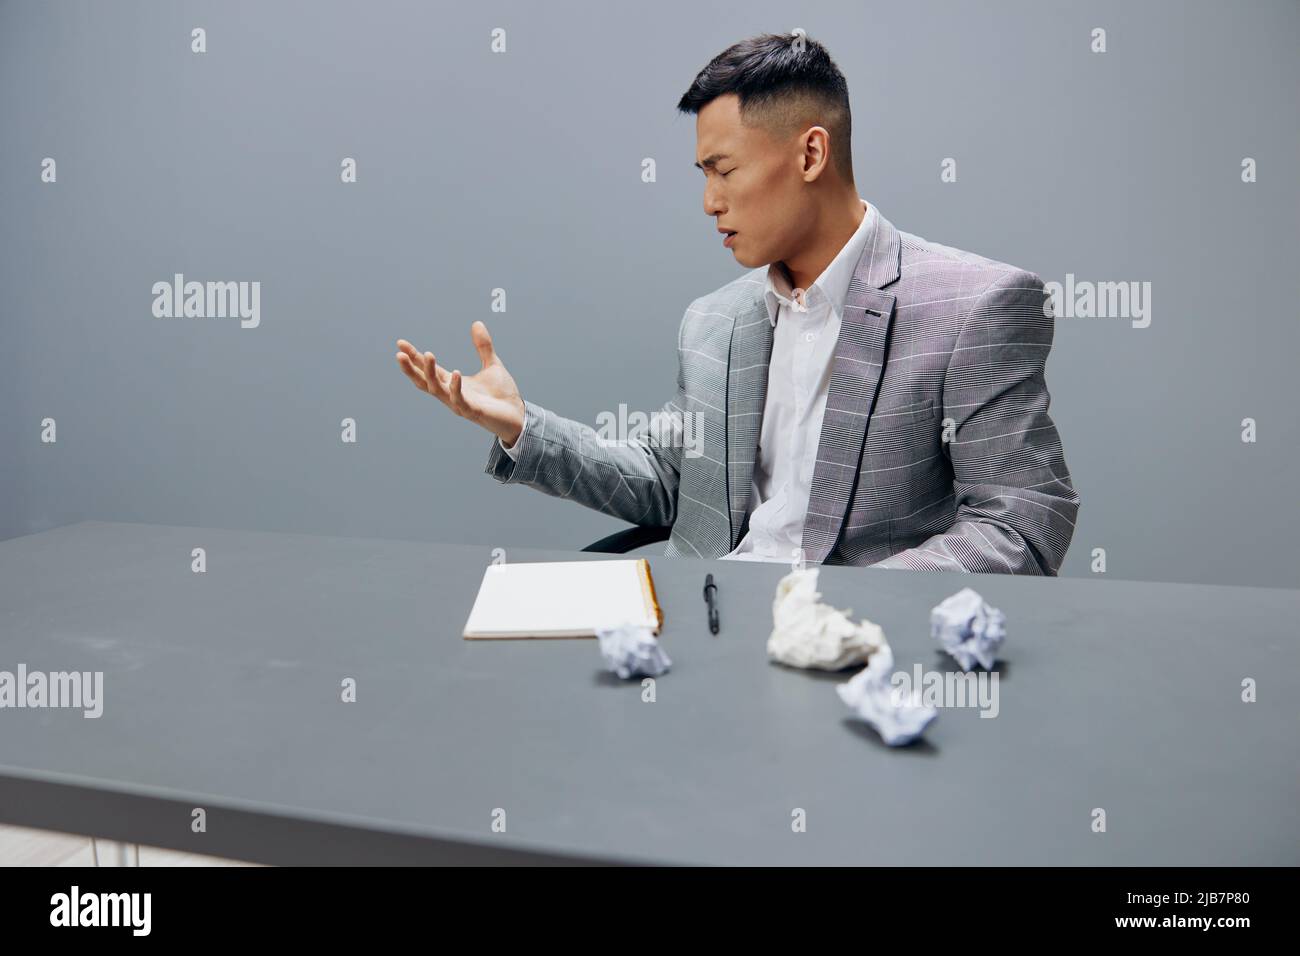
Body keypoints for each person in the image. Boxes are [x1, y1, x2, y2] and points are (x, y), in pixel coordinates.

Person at [396, 33, 1079, 574]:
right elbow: (668, 485)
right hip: (700, 634)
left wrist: (839, 612)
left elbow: (1021, 521)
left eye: (724, 170)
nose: (708, 202)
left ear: (811, 153)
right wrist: (522, 426)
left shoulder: (973, 307)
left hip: (856, 658)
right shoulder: (716, 322)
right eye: (703, 175)